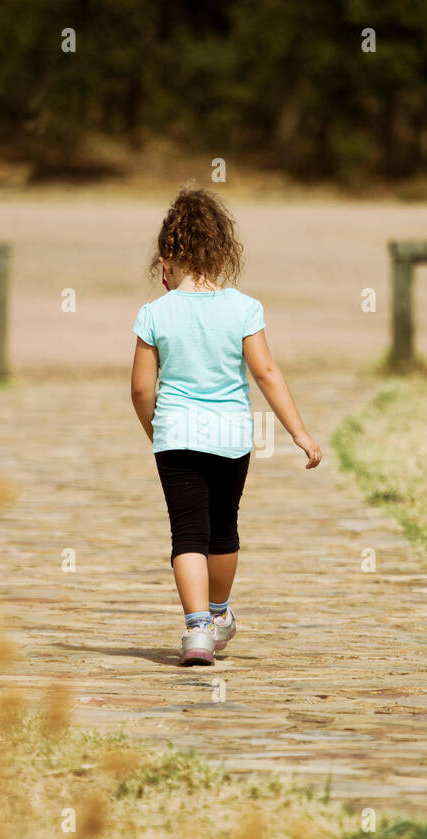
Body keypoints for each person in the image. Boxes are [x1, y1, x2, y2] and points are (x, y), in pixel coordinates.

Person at [130, 186, 322, 665]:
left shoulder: (154, 313)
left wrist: (158, 431)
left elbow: (139, 389)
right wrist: (298, 432)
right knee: (223, 530)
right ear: (221, 252)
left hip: (175, 436)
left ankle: (195, 631)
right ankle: (218, 615)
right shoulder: (243, 308)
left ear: (166, 261)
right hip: (232, 437)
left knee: (187, 534)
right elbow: (266, 373)